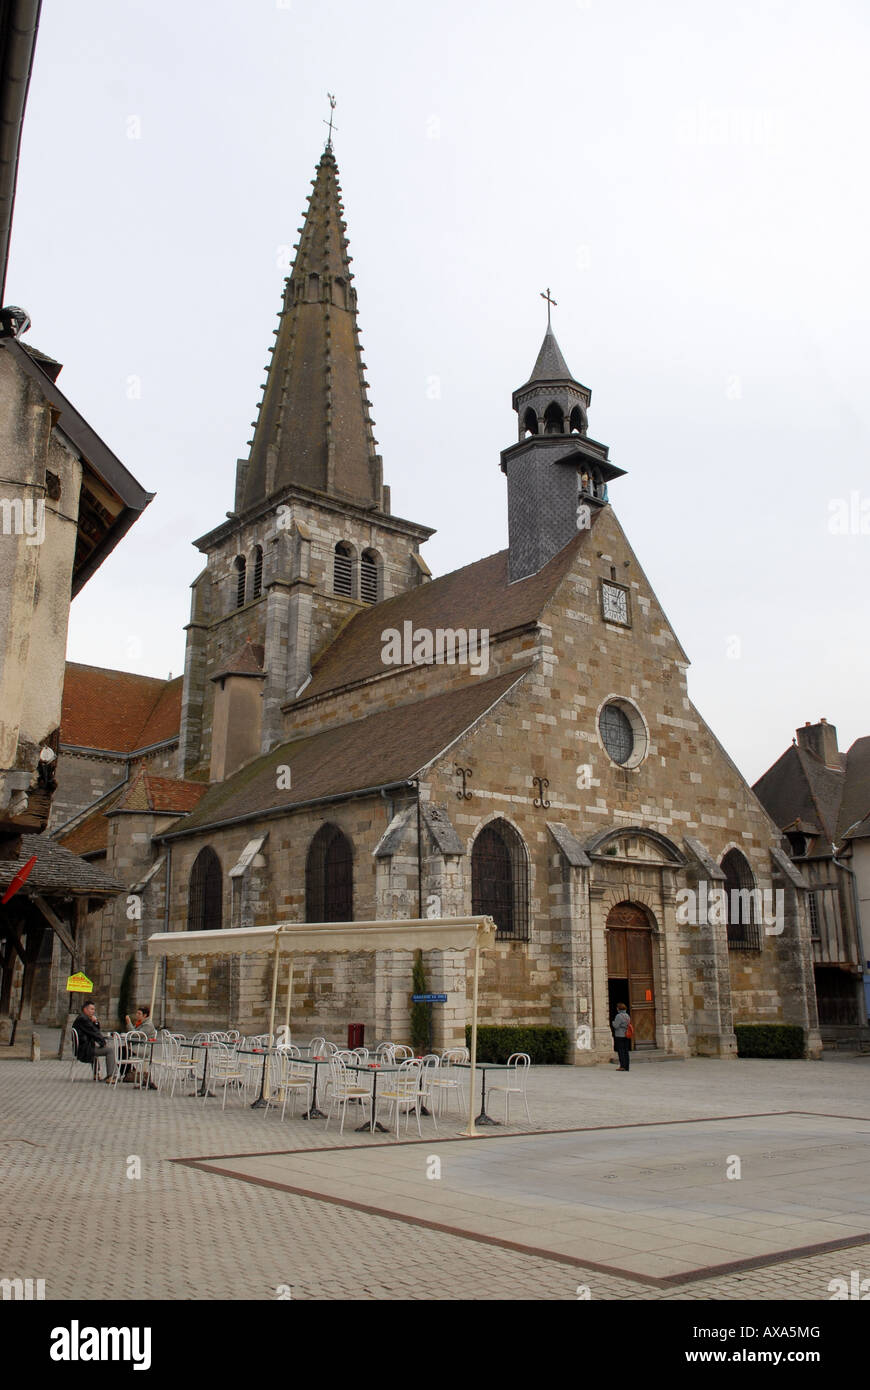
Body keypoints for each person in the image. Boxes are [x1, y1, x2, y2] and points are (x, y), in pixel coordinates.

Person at [73, 1001, 116, 1082]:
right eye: (91, 1009)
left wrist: (95, 1022)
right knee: (110, 1050)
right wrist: (103, 1043)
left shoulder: (83, 1018)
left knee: (98, 1047)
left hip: (83, 1047)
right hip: (84, 1050)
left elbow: (95, 1031)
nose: (93, 1011)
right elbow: (94, 1032)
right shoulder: (83, 1019)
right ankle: (111, 1076)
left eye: (94, 1009)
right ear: (85, 1009)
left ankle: (96, 1074)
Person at [123, 1005, 157, 1084]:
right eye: (137, 1013)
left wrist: (129, 1023)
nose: (137, 1015)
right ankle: (130, 1073)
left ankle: (130, 1073)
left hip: (144, 1047)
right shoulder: (139, 1023)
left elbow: (136, 1035)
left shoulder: (147, 1024)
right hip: (137, 1046)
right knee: (121, 1051)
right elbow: (133, 1033)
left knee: (124, 1052)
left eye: (139, 1014)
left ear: (144, 1015)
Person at [611, 1002, 632, 1072]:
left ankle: (622, 1066)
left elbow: (616, 1026)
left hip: (620, 1035)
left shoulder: (619, 1016)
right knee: (626, 1051)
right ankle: (627, 1066)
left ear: (619, 1008)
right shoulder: (627, 1015)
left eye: (617, 1007)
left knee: (621, 1051)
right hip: (626, 1035)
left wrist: (613, 1022)